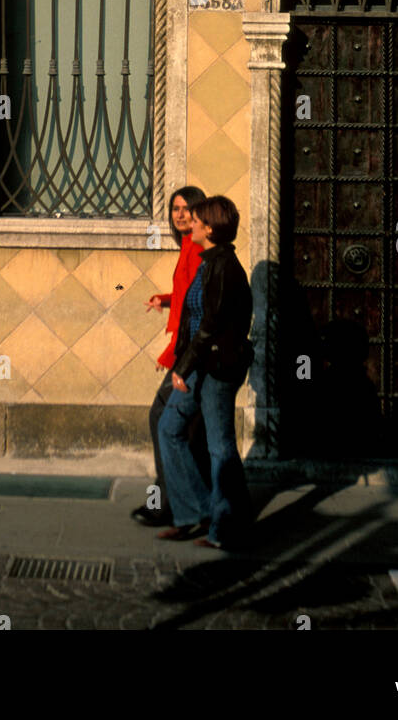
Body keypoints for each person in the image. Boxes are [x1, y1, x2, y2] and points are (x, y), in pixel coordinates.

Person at [157, 195, 254, 550]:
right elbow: (192, 317)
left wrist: (183, 367)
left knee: (220, 446)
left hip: (215, 368)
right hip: (198, 363)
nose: (190, 224)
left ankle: (226, 526)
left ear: (210, 228)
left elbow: (210, 325)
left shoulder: (226, 267)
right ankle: (197, 511)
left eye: (196, 220)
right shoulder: (208, 262)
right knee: (169, 429)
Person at [130, 185, 210, 527]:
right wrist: (164, 299)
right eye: (175, 208)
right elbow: (186, 295)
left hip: (189, 351)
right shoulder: (188, 247)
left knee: (162, 419)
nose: (180, 214)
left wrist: (188, 358)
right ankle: (198, 500)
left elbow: (201, 302)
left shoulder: (195, 248)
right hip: (188, 348)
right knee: (191, 430)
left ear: (200, 214)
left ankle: (167, 502)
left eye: (187, 209)